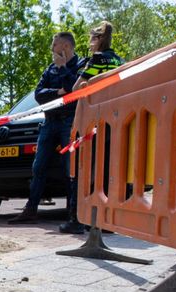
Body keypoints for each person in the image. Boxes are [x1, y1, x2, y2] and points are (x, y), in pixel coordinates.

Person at [59, 21, 125, 234]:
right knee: (107, 170)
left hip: (93, 121)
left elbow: (77, 88)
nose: (89, 44)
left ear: (98, 40)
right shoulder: (119, 60)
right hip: (114, 120)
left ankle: (78, 219)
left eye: (91, 40)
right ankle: (105, 222)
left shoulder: (97, 59)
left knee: (83, 169)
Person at [8, 32, 80, 225]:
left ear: (65, 47)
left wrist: (63, 68)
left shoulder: (81, 66)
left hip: (69, 122)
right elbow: (39, 95)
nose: (51, 49)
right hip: (49, 121)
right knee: (38, 166)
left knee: (69, 168)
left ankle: (73, 213)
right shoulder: (49, 69)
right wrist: (58, 92)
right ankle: (31, 209)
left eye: (54, 44)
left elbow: (73, 89)